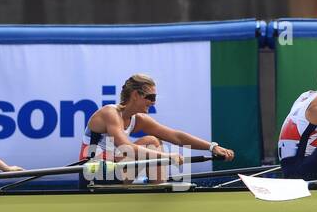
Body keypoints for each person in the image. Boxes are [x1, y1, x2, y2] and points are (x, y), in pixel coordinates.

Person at [80, 73, 234, 182]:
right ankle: (160, 192)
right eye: (150, 97)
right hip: (94, 173)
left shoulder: (138, 119)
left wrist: (212, 147)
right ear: (135, 95)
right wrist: (166, 157)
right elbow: (126, 147)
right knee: (151, 142)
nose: (153, 102)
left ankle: (158, 189)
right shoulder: (109, 113)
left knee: (152, 140)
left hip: (116, 170)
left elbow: (176, 137)